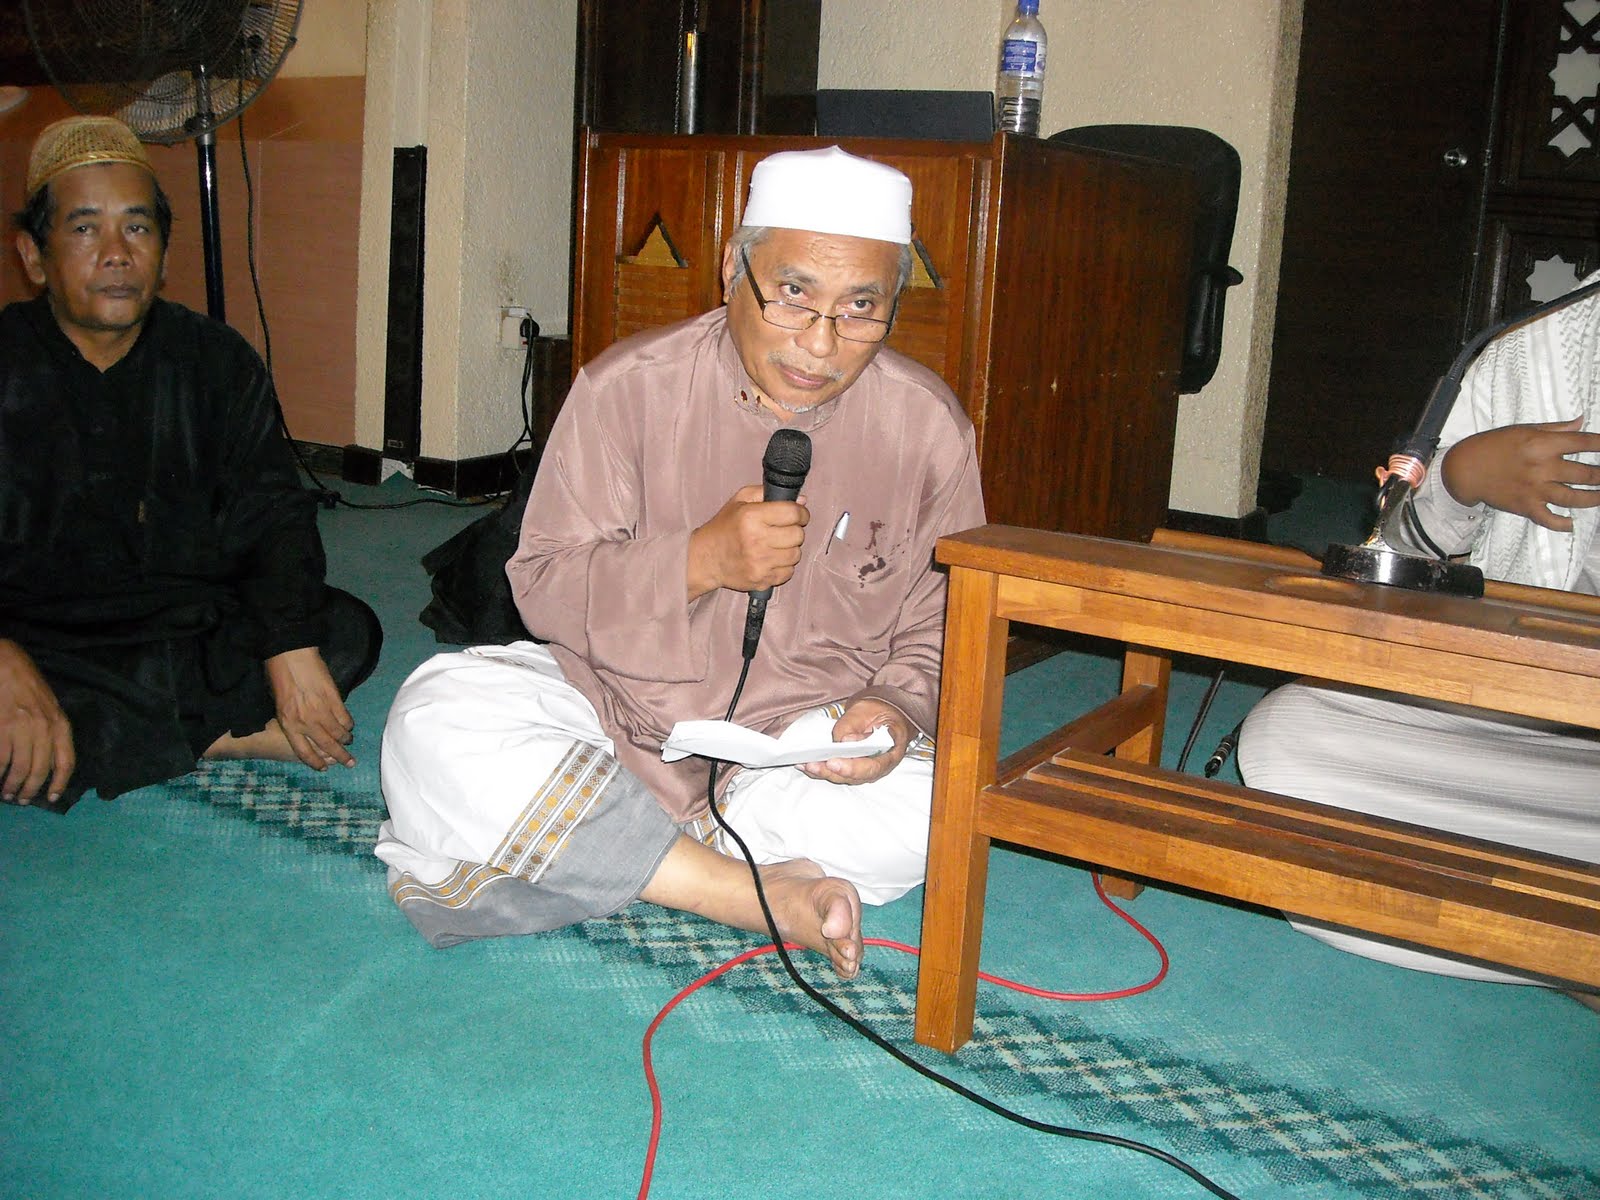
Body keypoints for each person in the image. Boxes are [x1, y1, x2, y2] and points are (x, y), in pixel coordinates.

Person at [376, 147, 985, 977]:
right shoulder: (626, 388)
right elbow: (544, 584)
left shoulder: (927, 428)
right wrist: (697, 562)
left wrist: (892, 711)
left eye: (861, 309)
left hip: (798, 748)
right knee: (435, 716)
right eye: (794, 294)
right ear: (734, 271)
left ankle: (617, 851)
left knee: (944, 807)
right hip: (615, 715)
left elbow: (945, 622)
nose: (820, 342)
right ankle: (748, 895)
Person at [0, 115, 381, 814]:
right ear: (32, 256)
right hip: (34, 638)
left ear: (164, 251)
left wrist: (289, 648)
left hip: (179, 627)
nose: (117, 252)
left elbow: (272, 518)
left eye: (138, 228)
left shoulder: (216, 360)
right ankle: (213, 737)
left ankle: (84, 742)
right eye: (85, 229)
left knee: (343, 632)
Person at [1239, 269, 1600, 993]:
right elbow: (1396, 555)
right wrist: (1459, 481)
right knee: (1289, 738)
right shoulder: (1533, 343)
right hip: (1523, 715)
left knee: (1337, 872)